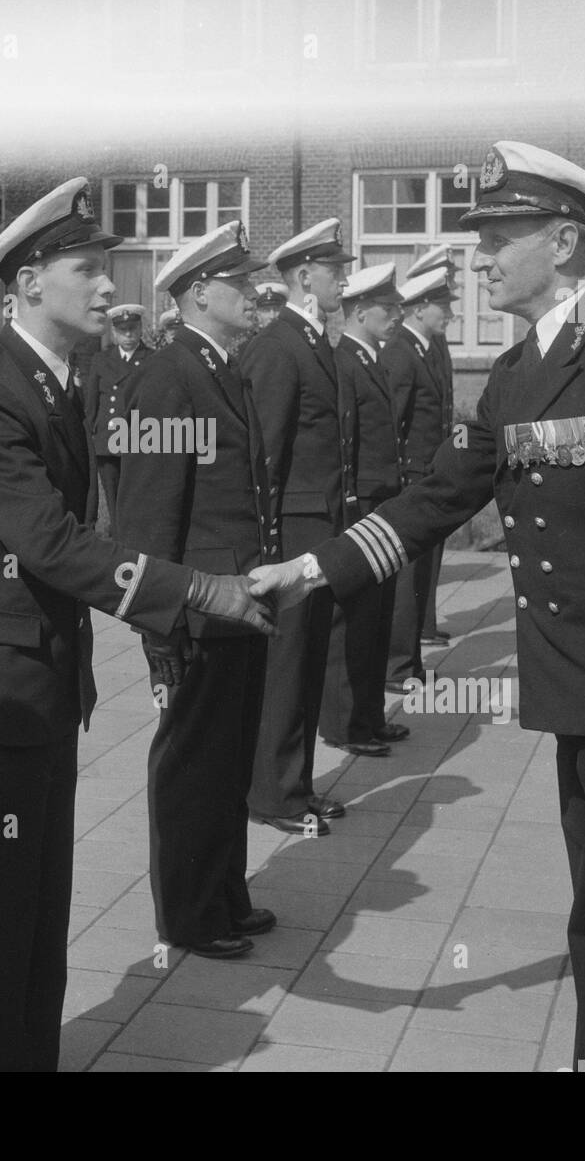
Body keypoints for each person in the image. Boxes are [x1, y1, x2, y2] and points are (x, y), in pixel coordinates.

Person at [249, 141, 585, 1073]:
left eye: (498, 239)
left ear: (565, 241)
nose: (478, 259)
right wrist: (315, 569)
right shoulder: (522, 370)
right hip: (580, 695)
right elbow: (441, 494)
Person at [0, 178, 273, 1072]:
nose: (112, 288)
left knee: (34, 916)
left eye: (109, 270)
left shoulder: (56, 379)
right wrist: (201, 593)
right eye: (88, 270)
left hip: (38, 682)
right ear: (27, 284)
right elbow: (51, 541)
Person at [115, 222, 278, 960]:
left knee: (229, 756)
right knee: (192, 759)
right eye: (239, 283)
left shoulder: (222, 366)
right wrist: (161, 624)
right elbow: (151, 510)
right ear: (198, 292)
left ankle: (223, 892)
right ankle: (187, 911)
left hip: (238, 597)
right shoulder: (167, 373)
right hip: (198, 605)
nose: (253, 293)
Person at [240, 219, 352, 835]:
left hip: (320, 529)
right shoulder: (279, 346)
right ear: (305, 276)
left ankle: (297, 783)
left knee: (308, 661)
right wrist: (269, 545)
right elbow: (265, 455)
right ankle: (273, 792)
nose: (344, 280)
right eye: (335, 270)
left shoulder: (312, 342)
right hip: (292, 532)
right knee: (285, 667)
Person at [321, 263, 407, 756]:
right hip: (363, 506)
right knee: (352, 622)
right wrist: (351, 505)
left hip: (383, 502)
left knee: (377, 619)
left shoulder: (371, 357)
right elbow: (345, 439)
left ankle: (369, 717)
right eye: (387, 308)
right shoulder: (345, 361)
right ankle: (345, 724)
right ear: (358, 311)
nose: (396, 316)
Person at [383, 267, 457, 692]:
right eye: (443, 306)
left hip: (426, 474)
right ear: (421, 308)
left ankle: (408, 662)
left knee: (419, 577)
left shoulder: (425, 348)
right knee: (406, 578)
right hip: (410, 476)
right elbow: (393, 420)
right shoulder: (401, 352)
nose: (449, 313)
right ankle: (396, 667)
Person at [84, 303, 152, 527]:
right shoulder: (101, 360)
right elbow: (91, 404)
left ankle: (134, 535)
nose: (129, 334)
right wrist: (91, 435)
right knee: (112, 495)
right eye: (123, 330)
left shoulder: (153, 359)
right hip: (107, 439)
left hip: (139, 439)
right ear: (114, 332)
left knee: (137, 495)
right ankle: (118, 535)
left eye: (133, 328)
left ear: (140, 328)